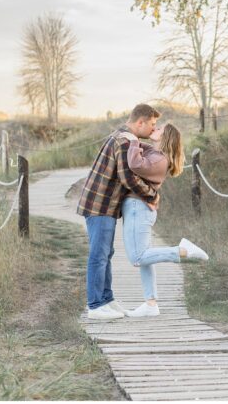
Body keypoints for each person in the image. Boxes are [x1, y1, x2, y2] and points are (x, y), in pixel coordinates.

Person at [77, 103, 161, 320]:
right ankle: (95, 305)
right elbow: (128, 178)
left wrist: (155, 142)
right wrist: (151, 195)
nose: (154, 129)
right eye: (152, 124)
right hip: (100, 205)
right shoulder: (125, 142)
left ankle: (106, 299)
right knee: (99, 255)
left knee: (106, 253)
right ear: (140, 122)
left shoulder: (124, 137)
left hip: (104, 205)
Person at [117, 123, 209, 318]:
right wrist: (133, 138)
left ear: (165, 136)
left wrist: (133, 141)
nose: (154, 129)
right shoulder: (156, 153)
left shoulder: (160, 159)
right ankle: (150, 304)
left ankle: (183, 251)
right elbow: (141, 148)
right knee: (145, 257)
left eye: (159, 128)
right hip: (138, 208)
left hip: (138, 208)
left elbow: (135, 164)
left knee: (138, 257)